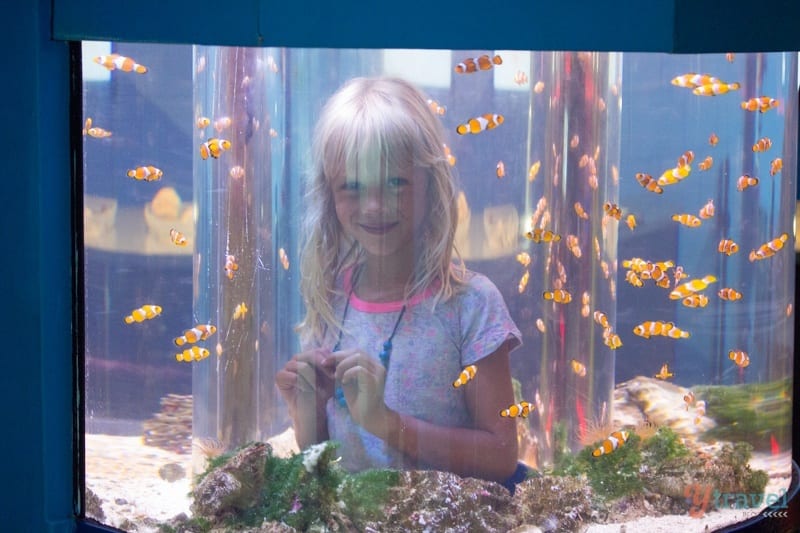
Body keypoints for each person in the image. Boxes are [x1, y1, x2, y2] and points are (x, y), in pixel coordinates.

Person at [275, 76, 523, 485]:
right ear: (329, 194)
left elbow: (500, 457)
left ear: (432, 184)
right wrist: (305, 407)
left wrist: (386, 423)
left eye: (395, 182)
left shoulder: (470, 304)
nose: (374, 205)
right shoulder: (331, 297)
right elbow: (319, 451)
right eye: (352, 186)